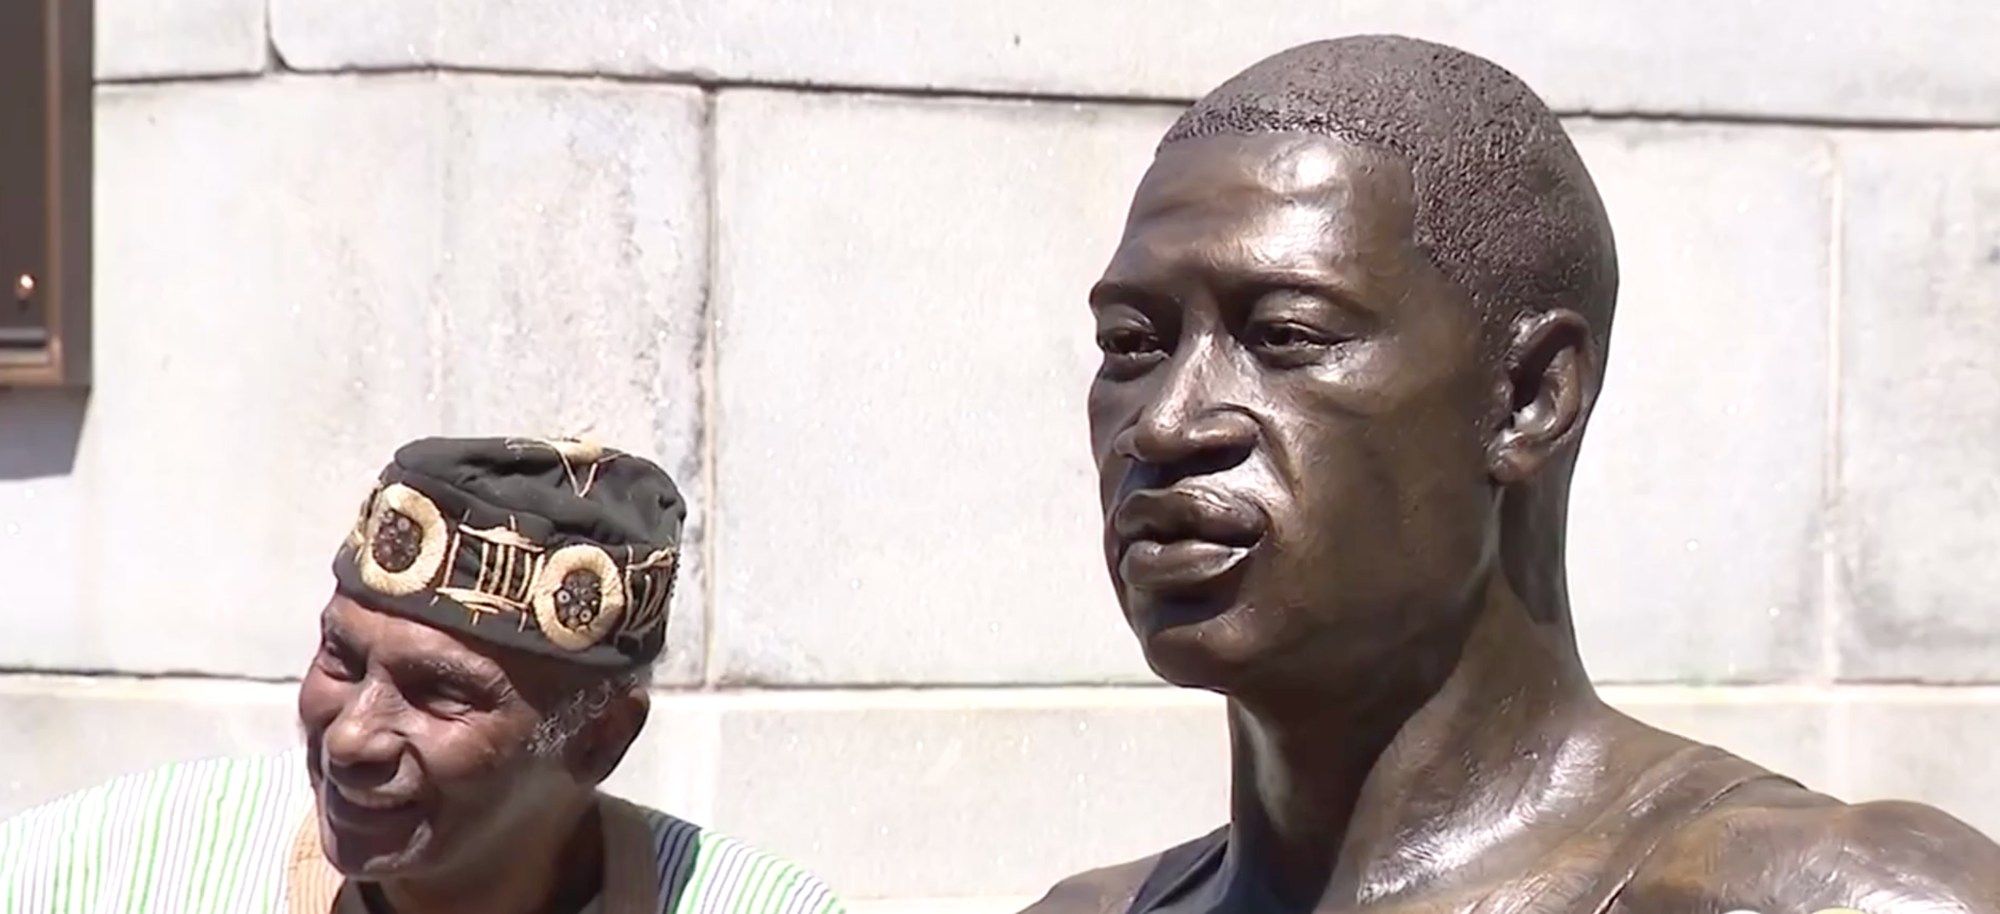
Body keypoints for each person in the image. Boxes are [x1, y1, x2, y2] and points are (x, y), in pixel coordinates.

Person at [1026, 35, 2000, 914]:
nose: (1162, 421)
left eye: (1283, 335)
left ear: (1530, 397)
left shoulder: (1816, 899)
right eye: (1129, 344)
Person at [0, 436, 846, 914]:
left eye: (443, 691)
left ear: (597, 740)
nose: (354, 731)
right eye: (342, 657)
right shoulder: (127, 869)